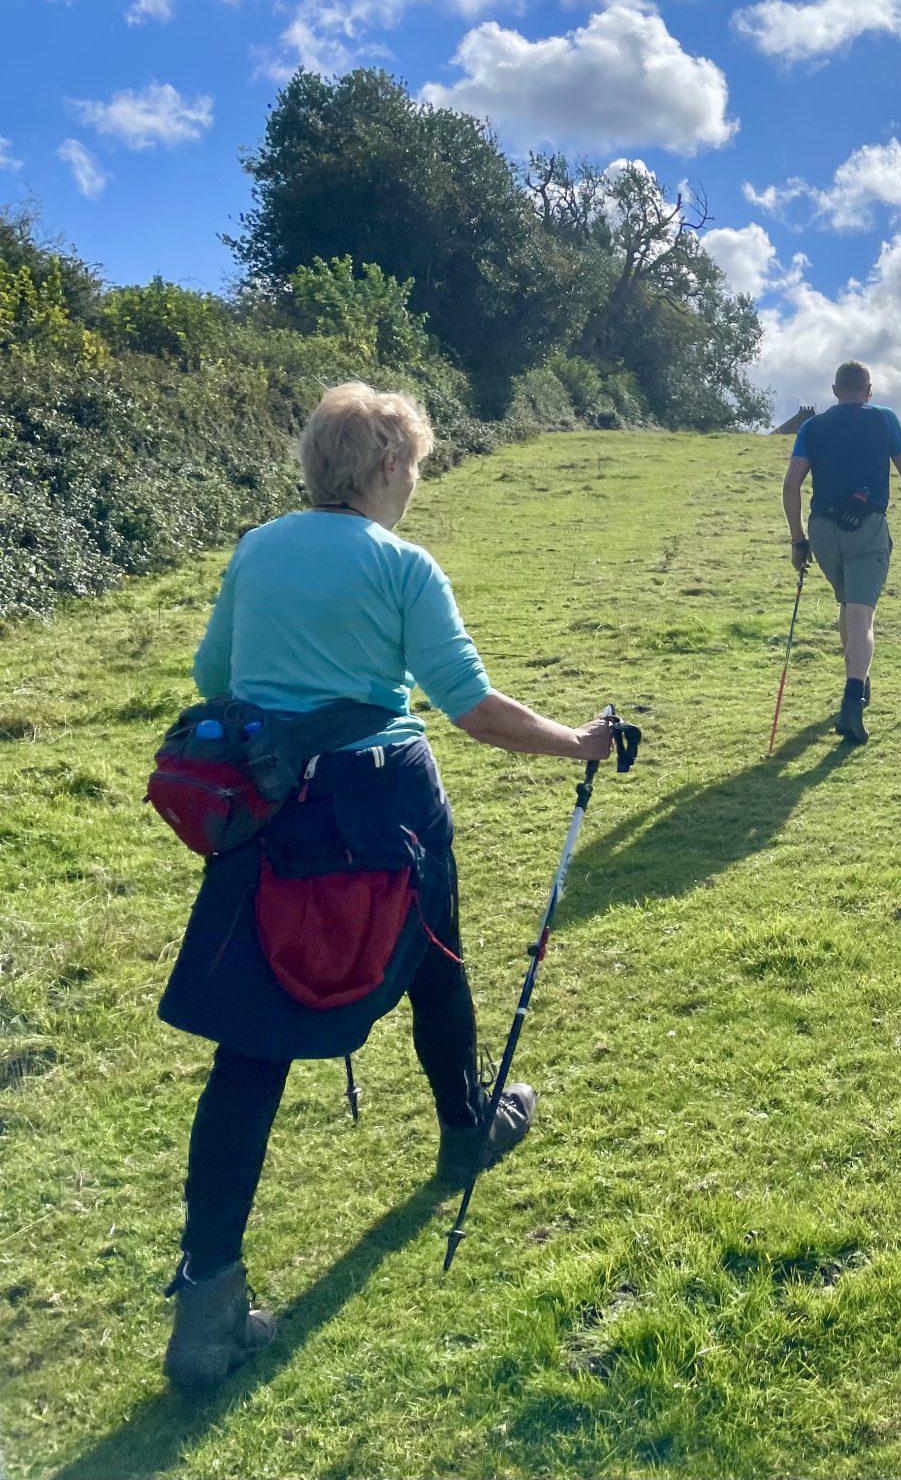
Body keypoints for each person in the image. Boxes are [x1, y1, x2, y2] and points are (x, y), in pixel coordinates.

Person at [157, 381, 613, 1395]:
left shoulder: (257, 548)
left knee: (250, 1048)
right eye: (413, 465)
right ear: (386, 469)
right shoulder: (402, 566)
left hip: (267, 818)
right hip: (387, 806)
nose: (414, 483)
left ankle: (207, 1301)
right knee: (436, 966)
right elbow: (472, 708)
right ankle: (465, 1130)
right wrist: (576, 740)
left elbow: (211, 674)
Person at [781, 360, 901, 744]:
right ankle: (851, 703)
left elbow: (792, 484)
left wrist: (798, 541)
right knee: (862, 617)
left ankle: (858, 679)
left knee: (847, 604)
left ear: (834, 390)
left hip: (823, 529)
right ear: (869, 390)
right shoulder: (884, 418)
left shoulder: (812, 427)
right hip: (865, 528)